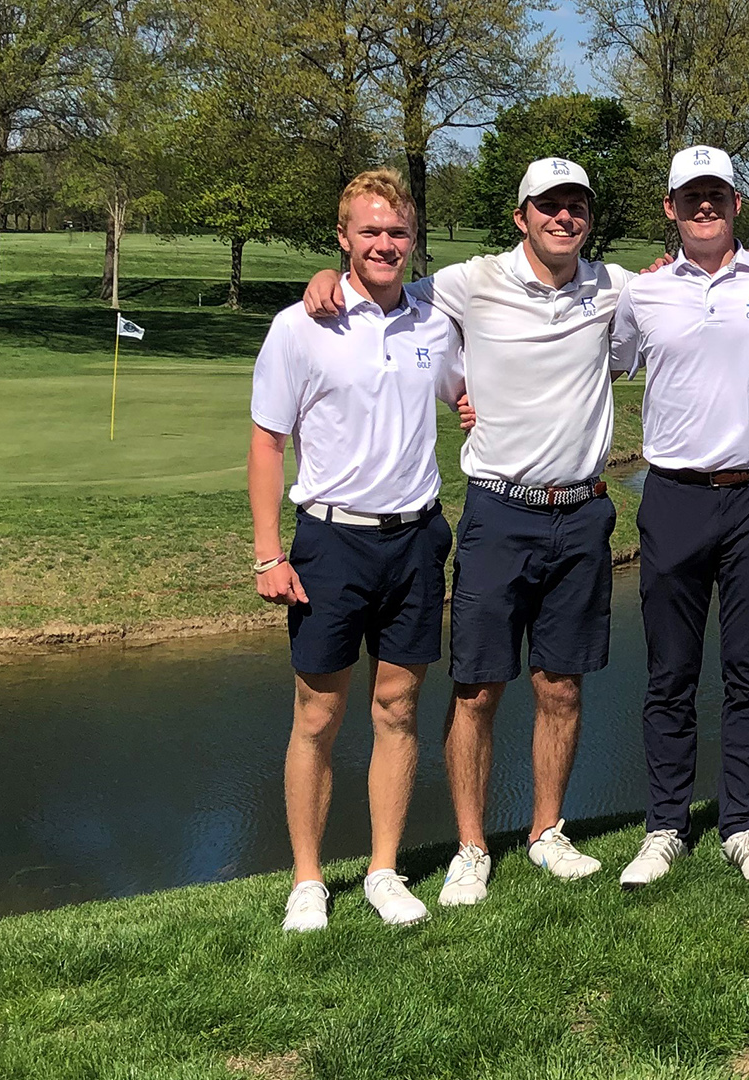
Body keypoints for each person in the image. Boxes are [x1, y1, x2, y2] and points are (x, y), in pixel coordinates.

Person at [301, 159, 749, 906]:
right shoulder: (472, 282)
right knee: (477, 688)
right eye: (549, 206)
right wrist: (329, 277)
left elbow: (692, 285)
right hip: (499, 509)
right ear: (521, 214)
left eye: (576, 206)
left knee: (561, 686)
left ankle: (544, 830)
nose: (564, 218)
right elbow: (388, 287)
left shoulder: (620, 287)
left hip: (584, 509)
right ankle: (472, 844)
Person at [251, 169, 465, 931]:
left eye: (397, 231)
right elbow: (269, 442)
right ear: (342, 238)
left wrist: (472, 406)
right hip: (330, 542)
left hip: (414, 540)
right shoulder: (301, 324)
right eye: (369, 231)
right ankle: (308, 880)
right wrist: (269, 553)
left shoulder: (434, 324)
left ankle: (383, 868)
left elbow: (464, 392)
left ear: (413, 240)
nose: (384, 243)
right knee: (317, 714)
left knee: (398, 707)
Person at [607, 146, 749, 887]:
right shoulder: (644, 294)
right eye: (691, 196)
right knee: (670, 673)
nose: (704, 207)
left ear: (737, 203)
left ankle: (743, 825)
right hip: (674, 496)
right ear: (671, 207)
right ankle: (665, 826)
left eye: (716, 194)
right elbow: (600, 362)